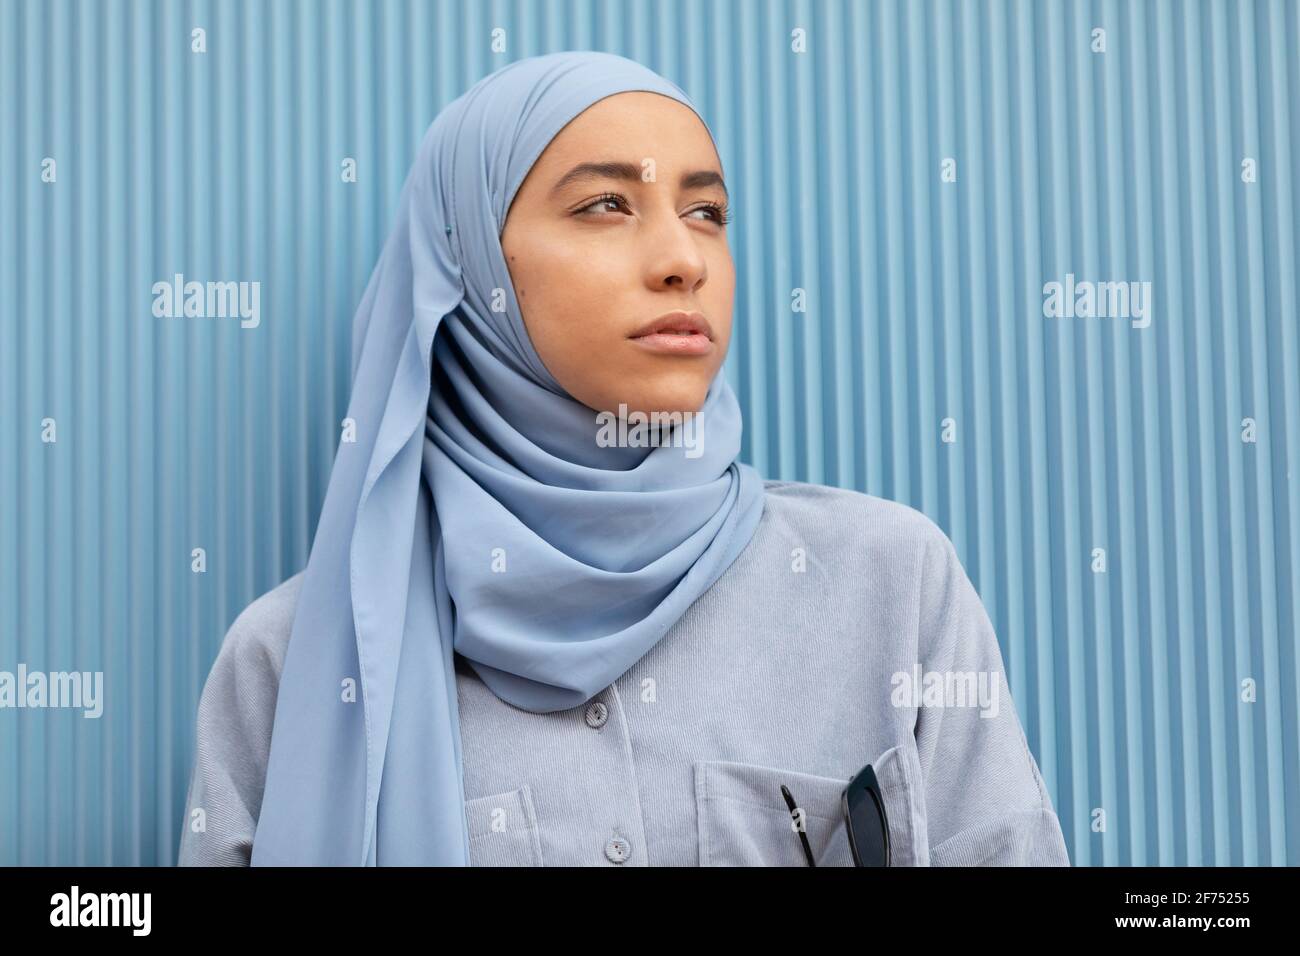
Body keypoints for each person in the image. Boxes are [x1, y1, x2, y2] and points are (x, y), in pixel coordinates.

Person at [177, 50, 1069, 867]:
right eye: (606, 204)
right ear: (472, 259)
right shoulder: (295, 664)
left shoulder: (890, 584)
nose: (684, 259)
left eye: (706, 212)